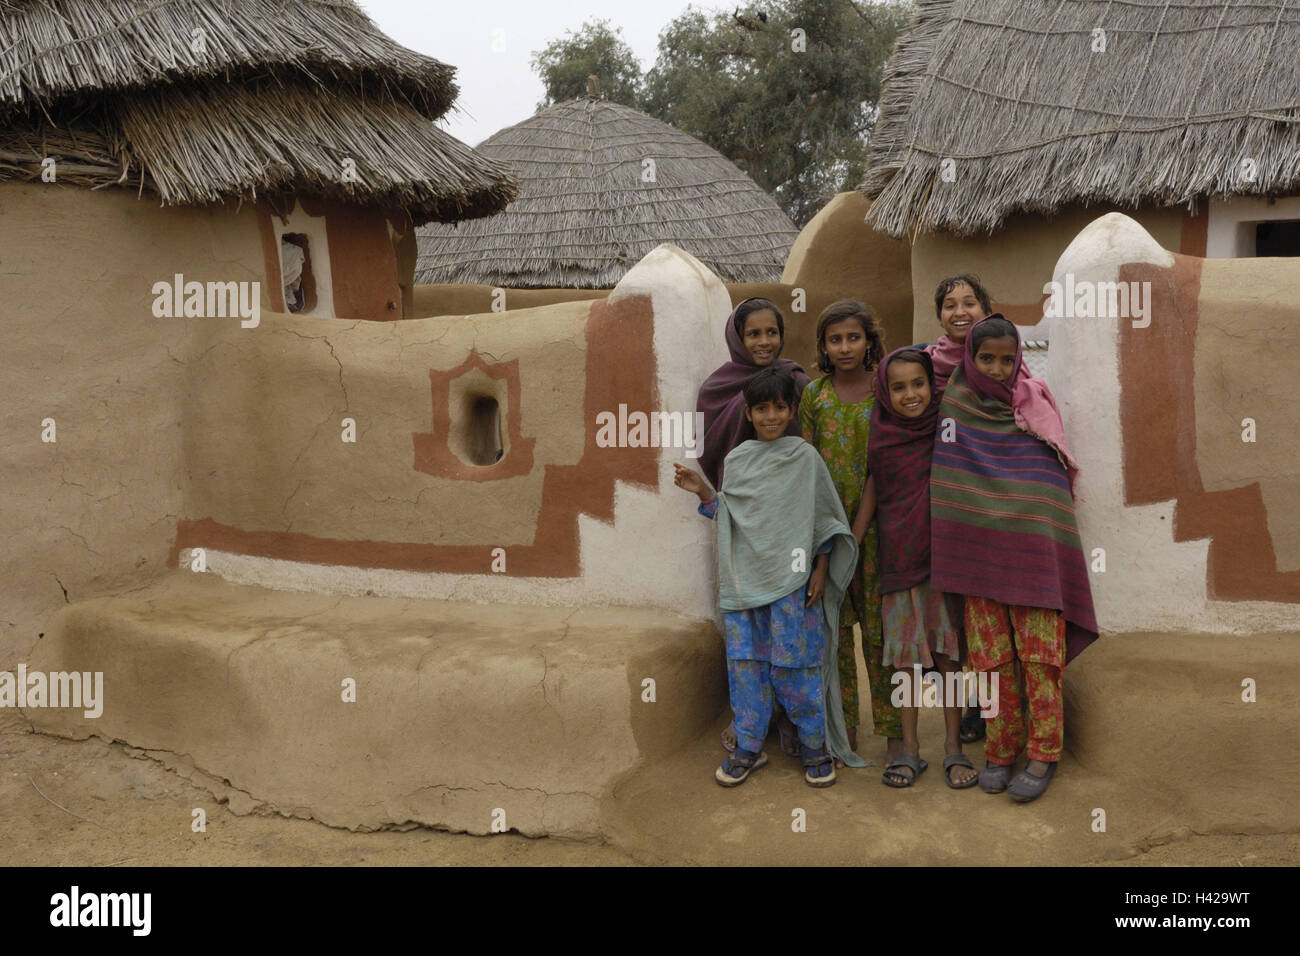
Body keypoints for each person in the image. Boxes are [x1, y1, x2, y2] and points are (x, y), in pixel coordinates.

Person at [930, 316, 1098, 802]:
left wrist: (1030, 522)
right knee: (989, 661)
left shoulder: (1033, 405)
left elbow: (1049, 484)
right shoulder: (955, 408)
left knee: (1041, 660)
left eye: (1008, 359)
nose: (999, 369)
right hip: (980, 564)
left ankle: (1044, 752)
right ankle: (1001, 749)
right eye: (987, 358)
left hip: (1033, 561)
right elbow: (951, 483)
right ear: (970, 358)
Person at [675, 367, 865, 787]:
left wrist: (820, 568)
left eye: (780, 407)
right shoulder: (738, 460)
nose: (771, 416)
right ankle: (749, 746)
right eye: (762, 408)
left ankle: (814, 744)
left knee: (796, 667)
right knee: (747, 668)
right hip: (745, 584)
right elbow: (733, 515)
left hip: (794, 584)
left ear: (792, 410)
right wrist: (705, 493)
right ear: (748, 412)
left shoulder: (805, 458)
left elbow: (821, 518)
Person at [696, 297, 811, 755]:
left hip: (789, 528)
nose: (764, 342)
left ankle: (790, 717)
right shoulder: (717, 389)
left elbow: (810, 449)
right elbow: (713, 453)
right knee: (747, 629)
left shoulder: (797, 383)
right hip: (741, 527)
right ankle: (749, 716)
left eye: (771, 332)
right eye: (754, 334)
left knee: (792, 629)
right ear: (737, 338)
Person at [798, 300, 900, 768]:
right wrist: (826, 543)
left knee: (882, 634)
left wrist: (856, 532)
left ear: (868, 340)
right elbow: (808, 471)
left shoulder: (886, 388)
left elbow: (884, 465)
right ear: (823, 345)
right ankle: (845, 731)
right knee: (833, 633)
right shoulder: (814, 397)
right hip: (827, 533)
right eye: (835, 339)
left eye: (853, 337)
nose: (844, 347)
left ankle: (896, 732)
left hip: (879, 532)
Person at [868, 348, 976, 788]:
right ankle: (910, 750)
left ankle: (954, 747)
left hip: (943, 558)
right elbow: (876, 487)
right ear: (884, 392)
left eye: (919, 384)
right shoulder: (882, 433)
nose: (910, 395)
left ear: (933, 386)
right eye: (898, 387)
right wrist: (851, 540)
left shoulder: (947, 427)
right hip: (898, 557)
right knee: (905, 661)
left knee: (948, 656)